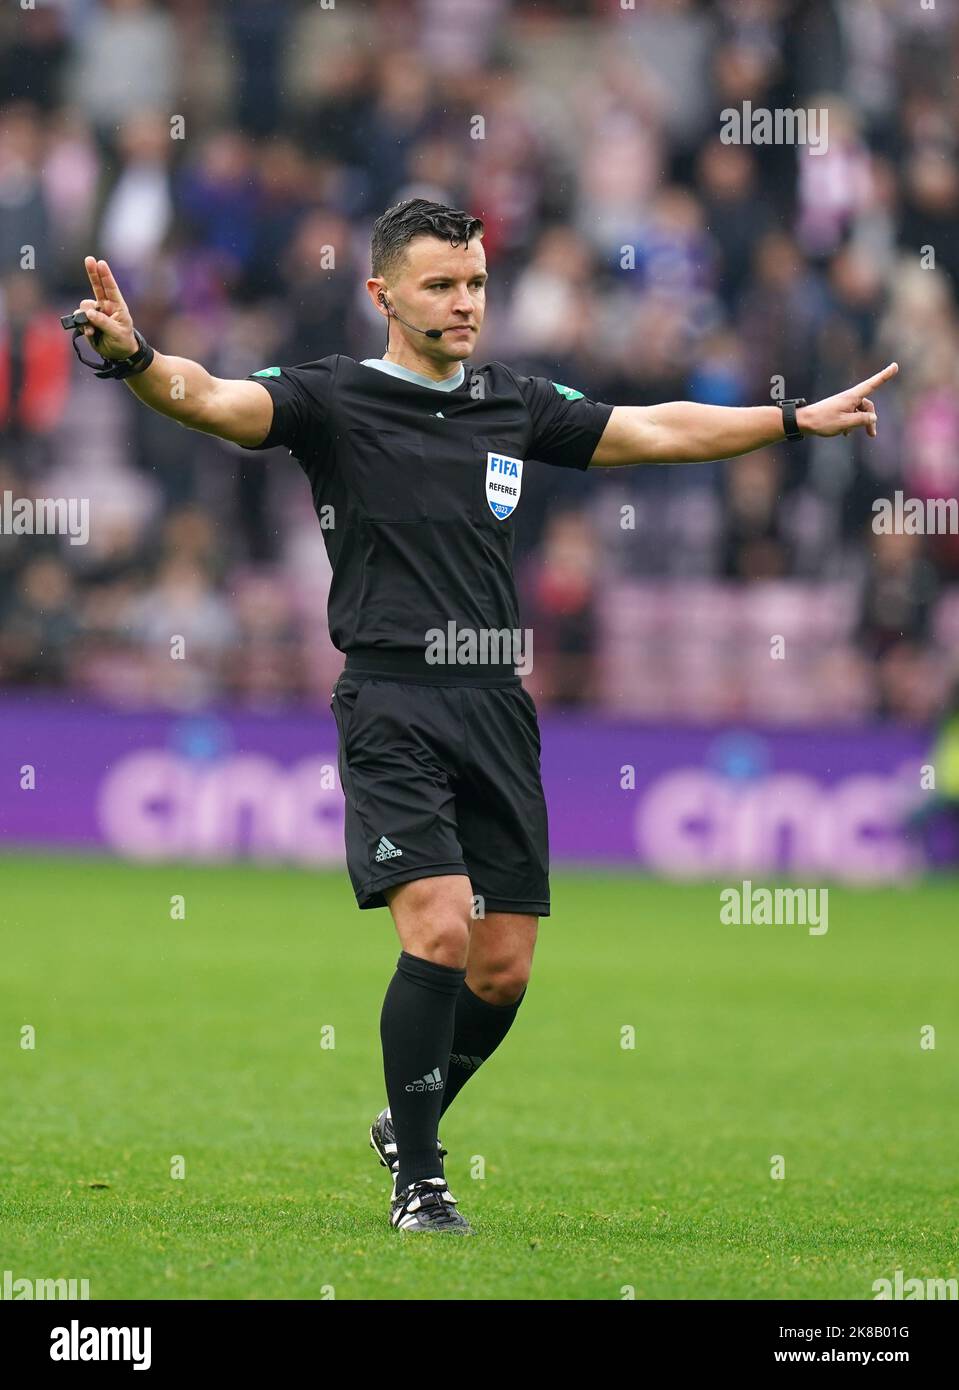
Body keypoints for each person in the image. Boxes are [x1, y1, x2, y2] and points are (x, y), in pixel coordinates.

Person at [69, 198, 898, 1234]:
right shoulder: (331, 397)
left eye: (475, 285)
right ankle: (420, 1181)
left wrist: (788, 418)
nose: (465, 304)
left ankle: (404, 1117)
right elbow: (207, 399)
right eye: (440, 286)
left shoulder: (513, 401)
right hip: (390, 700)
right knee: (440, 926)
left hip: (496, 705)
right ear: (382, 294)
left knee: (500, 968)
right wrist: (139, 353)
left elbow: (654, 428)